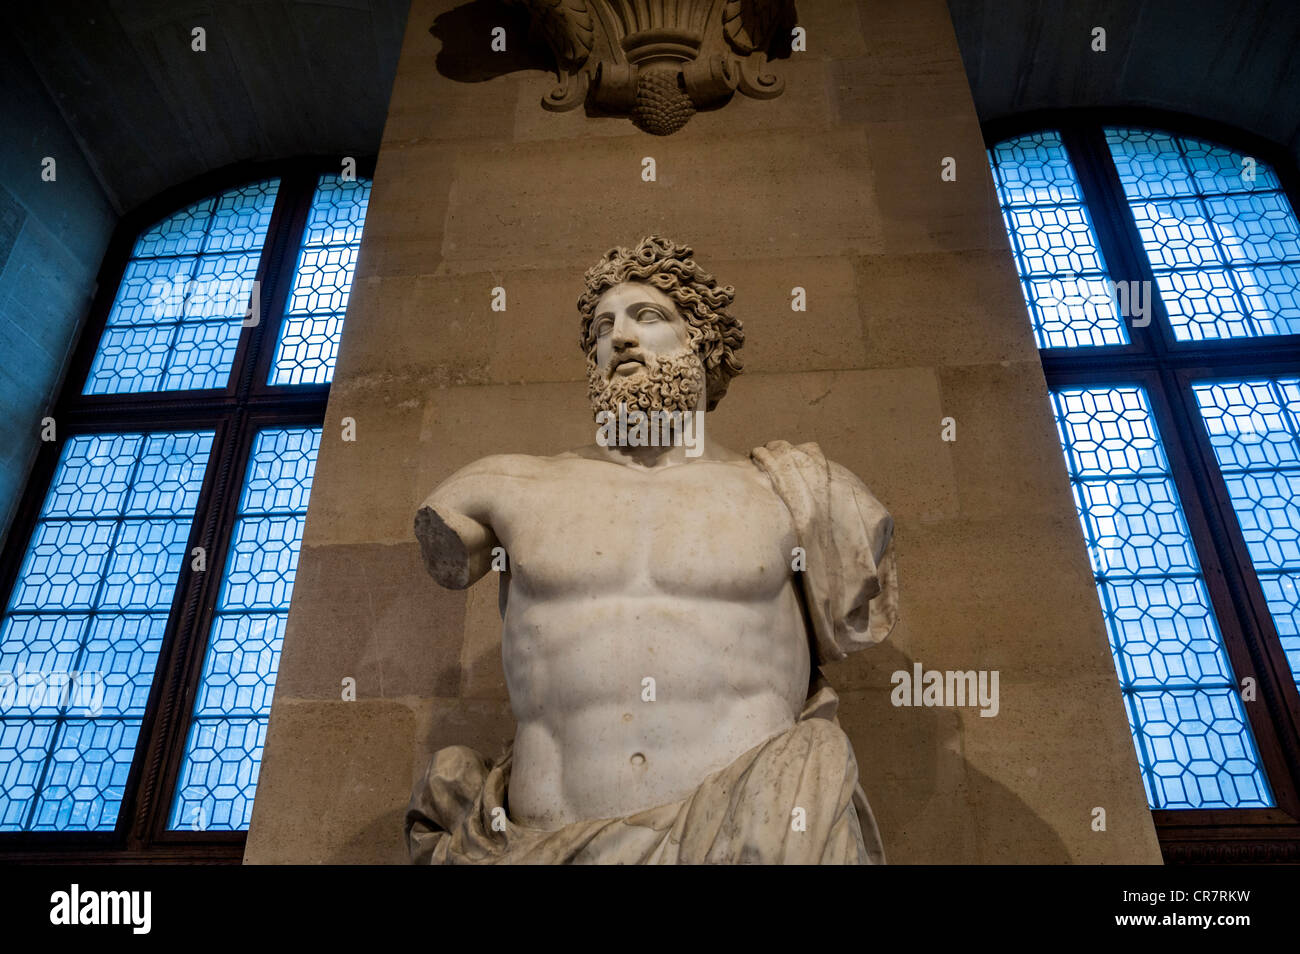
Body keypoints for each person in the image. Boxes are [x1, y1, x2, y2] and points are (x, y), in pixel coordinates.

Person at [409, 235, 897, 864]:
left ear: (703, 344)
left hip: (745, 838)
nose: (621, 338)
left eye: (649, 317)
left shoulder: (800, 495)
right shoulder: (501, 490)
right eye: (603, 328)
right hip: (553, 843)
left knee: (816, 759)